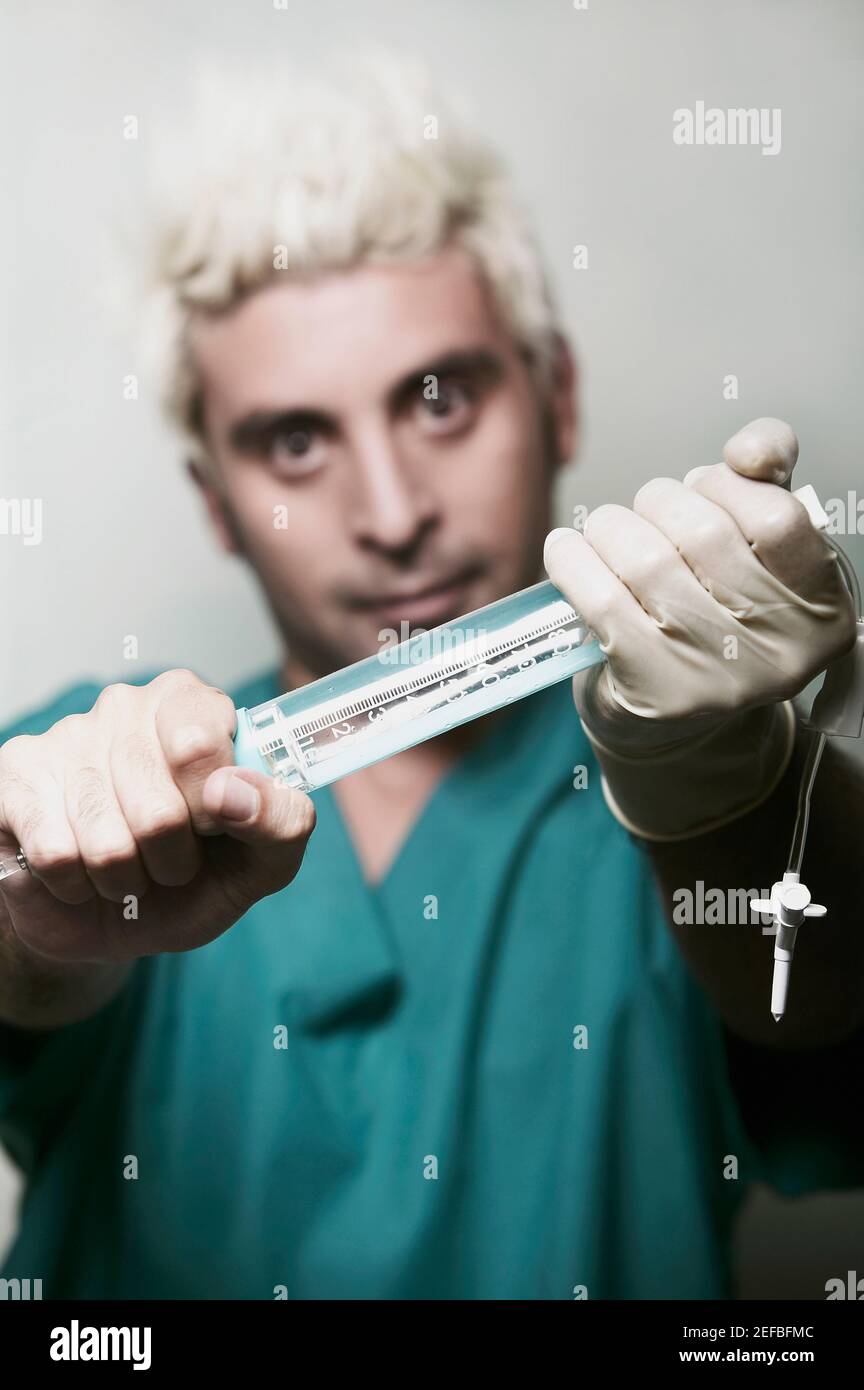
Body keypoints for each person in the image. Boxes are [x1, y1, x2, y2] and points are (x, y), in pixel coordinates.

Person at [1, 53, 862, 1301]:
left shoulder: (691, 793)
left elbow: (824, 997)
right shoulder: (105, 770)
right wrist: (43, 923)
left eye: (440, 399)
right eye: (295, 440)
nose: (393, 512)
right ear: (219, 504)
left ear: (557, 398)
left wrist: (735, 799)